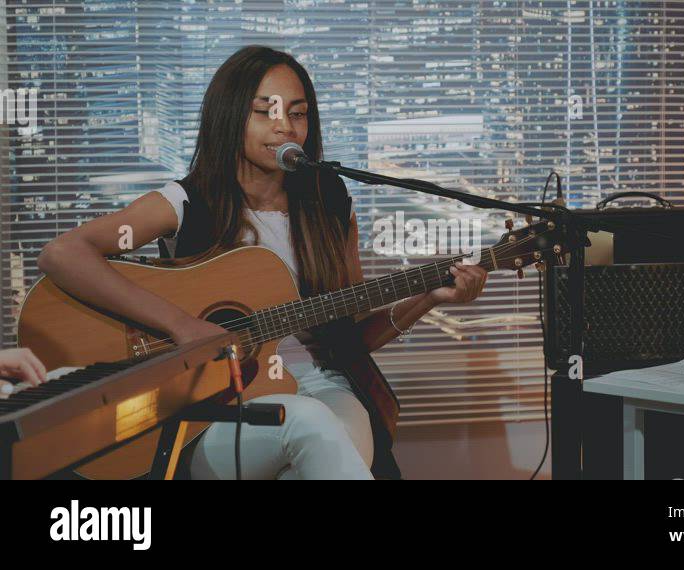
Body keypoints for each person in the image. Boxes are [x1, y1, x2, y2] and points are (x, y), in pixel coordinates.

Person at [37, 45, 488, 480]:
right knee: (311, 425)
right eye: (265, 111)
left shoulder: (331, 205)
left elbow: (352, 334)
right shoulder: (186, 203)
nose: (285, 127)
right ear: (230, 117)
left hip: (325, 385)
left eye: (297, 112)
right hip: (213, 409)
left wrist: (427, 297)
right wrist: (183, 325)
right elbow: (63, 253)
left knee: (325, 443)